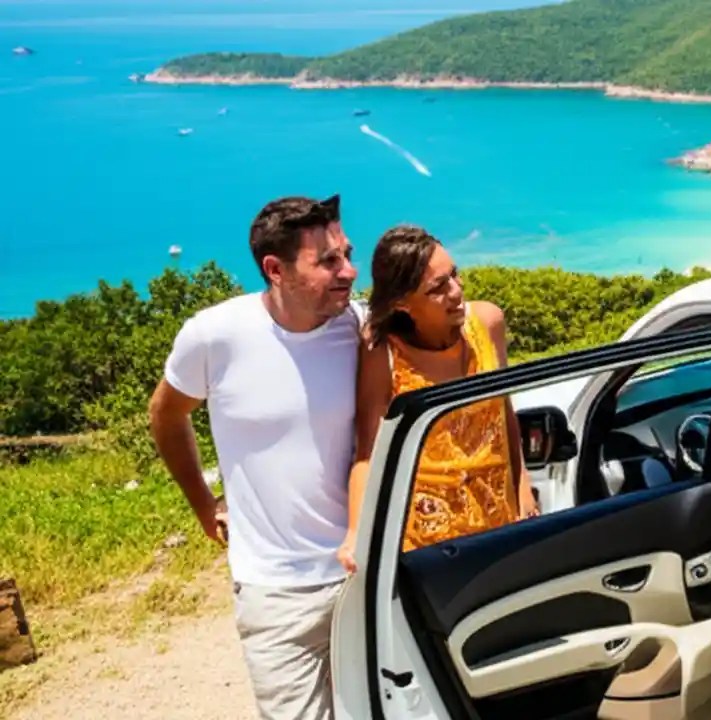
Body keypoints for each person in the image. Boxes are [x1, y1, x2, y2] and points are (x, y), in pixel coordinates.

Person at [148, 194, 360, 720]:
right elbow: (166, 415)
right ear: (275, 270)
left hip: (364, 572)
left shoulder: (359, 328)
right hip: (275, 590)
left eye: (347, 254)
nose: (349, 271)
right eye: (328, 261)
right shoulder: (215, 335)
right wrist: (204, 504)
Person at [338, 224, 537, 573]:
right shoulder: (383, 350)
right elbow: (369, 450)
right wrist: (357, 532)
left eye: (454, 275)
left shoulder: (487, 322)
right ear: (401, 303)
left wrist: (523, 488)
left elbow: (504, 413)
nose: (457, 292)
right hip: (426, 548)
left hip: (500, 525)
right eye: (438, 287)